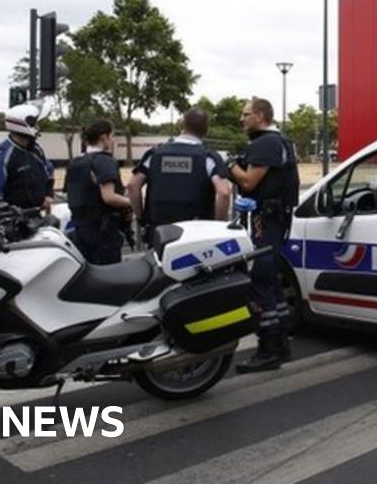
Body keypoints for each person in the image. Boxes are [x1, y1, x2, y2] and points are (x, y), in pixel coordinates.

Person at [228, 98, 300, 373]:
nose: (241, 119)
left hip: (264, 220)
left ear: (260, 116)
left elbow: (248, 181)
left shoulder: (266, 143)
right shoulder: (280, 141)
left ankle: (268, 348)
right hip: (272, 219)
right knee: (270, 280)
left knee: (260, 278)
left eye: (245, 114)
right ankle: (280, 344)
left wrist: (231, 166)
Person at [128, 108, 231, 245]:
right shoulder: (208, 157)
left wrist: (142, 219)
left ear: (182, 126)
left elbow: (132, 185)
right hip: (197, 234)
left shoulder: (155, 154)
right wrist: (218, 227)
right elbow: (224, 192)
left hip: (159, 232)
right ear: (206, 131)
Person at [64, 119, 132, 265]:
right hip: (103, 231)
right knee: (109, 278)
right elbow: (108, 197)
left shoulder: (75, 163)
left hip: (80, 230)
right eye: (112, 136)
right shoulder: (105, 161)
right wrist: (131, 202)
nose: (113, 140)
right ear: (104, 138)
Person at [0, 103, 55, 213]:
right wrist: (12, 213)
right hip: (12, 222)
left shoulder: (36, 149)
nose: (37, 127)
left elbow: (49, 170)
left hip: (36, 215)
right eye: (34, 123)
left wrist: (48, 194)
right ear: (22, 124)